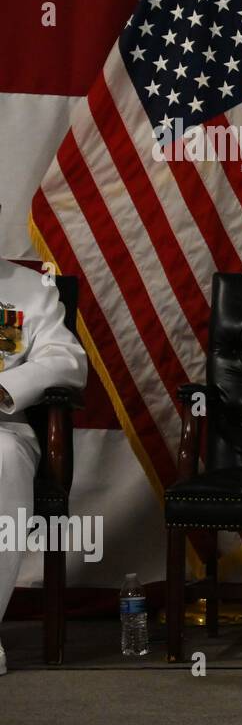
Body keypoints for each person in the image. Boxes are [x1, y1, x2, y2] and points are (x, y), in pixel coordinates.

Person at [0, 205, 89, 676]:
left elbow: (69, 362)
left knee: (3, 459)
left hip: (0, 427)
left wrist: (5, 388)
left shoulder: (31, 289)